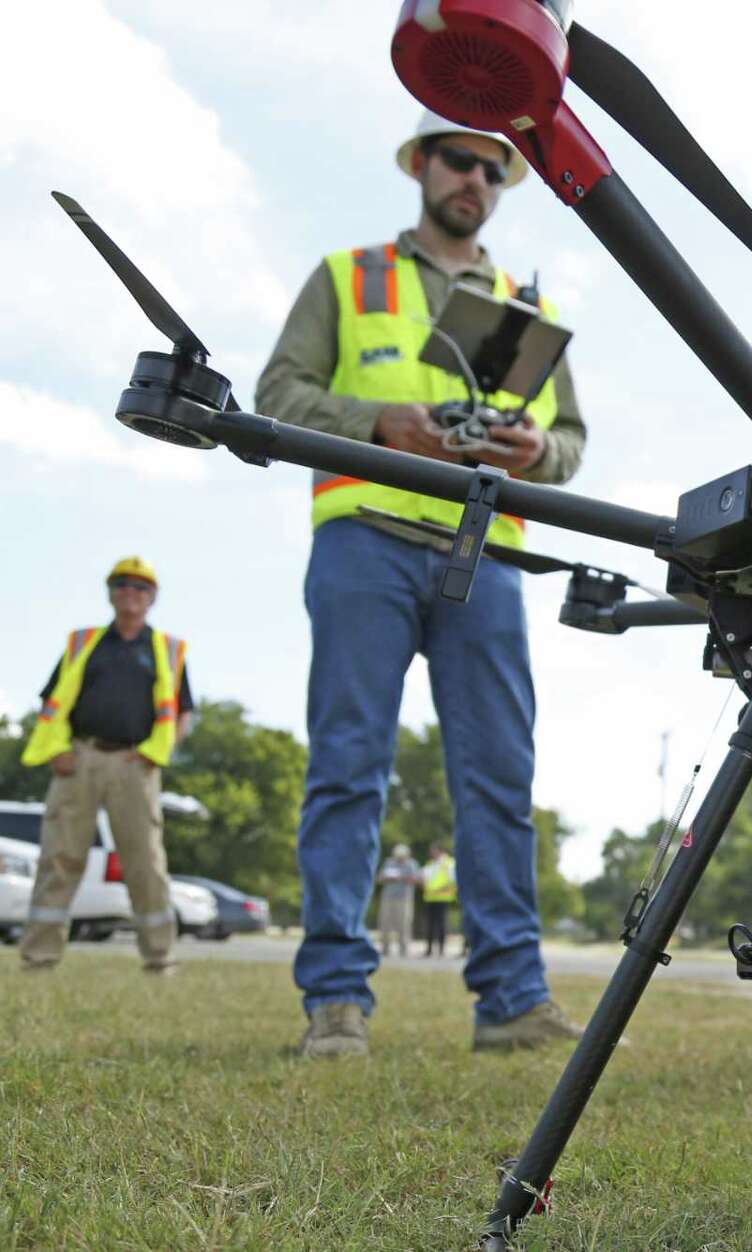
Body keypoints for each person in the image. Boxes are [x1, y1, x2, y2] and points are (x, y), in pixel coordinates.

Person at [256, 110, 590, 1059]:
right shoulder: (347, 277)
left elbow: (568, 443)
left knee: (499, 778)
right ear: (421, 165)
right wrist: (380, 421)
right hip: (365, 537)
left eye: (492, 168)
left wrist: (536, 448)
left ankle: (512, 1000)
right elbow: (277, 394)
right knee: (348, 764)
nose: (475, 178)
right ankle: (335, 1000)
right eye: (459, 160)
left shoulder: (531, 307)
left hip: (483, 554)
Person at [18, 557, 192, 975]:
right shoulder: (84, 643)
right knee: (59, 857)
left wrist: (154, 752)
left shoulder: (168, 650)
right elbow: (52, 700)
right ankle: (39, 958)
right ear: (110, 593)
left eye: (140, 587)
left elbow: (183, 714)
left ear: (152, 598)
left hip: (137, 765)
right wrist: (58, 749)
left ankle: (159, 958)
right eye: (121, 585)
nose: (130, 592)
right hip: (79, 760)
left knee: (145, 862)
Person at [376, 843, 421, 958]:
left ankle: (404, 949)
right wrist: (387, 878)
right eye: (398, 856)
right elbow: (380, 878)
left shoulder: (412, 864)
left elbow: (417, 880)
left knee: (404, 923)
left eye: (402, 856)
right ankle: (385, 948)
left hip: (404, 898)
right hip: (388, 897)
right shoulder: (389, 862)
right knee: (384, 922)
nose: (399, 858)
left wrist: (401, 878)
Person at [421, 842, 457, 957]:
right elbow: (425, 879)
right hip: (430, 898)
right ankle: (429, 949)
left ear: (440, 851)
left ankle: (441, 950)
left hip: (443, 898)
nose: (431, 853)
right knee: (429, 925)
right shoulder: (430, 863)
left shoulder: (449, 863)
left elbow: (452, 881)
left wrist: (439, 890)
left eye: (434, 850)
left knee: (441, 924)